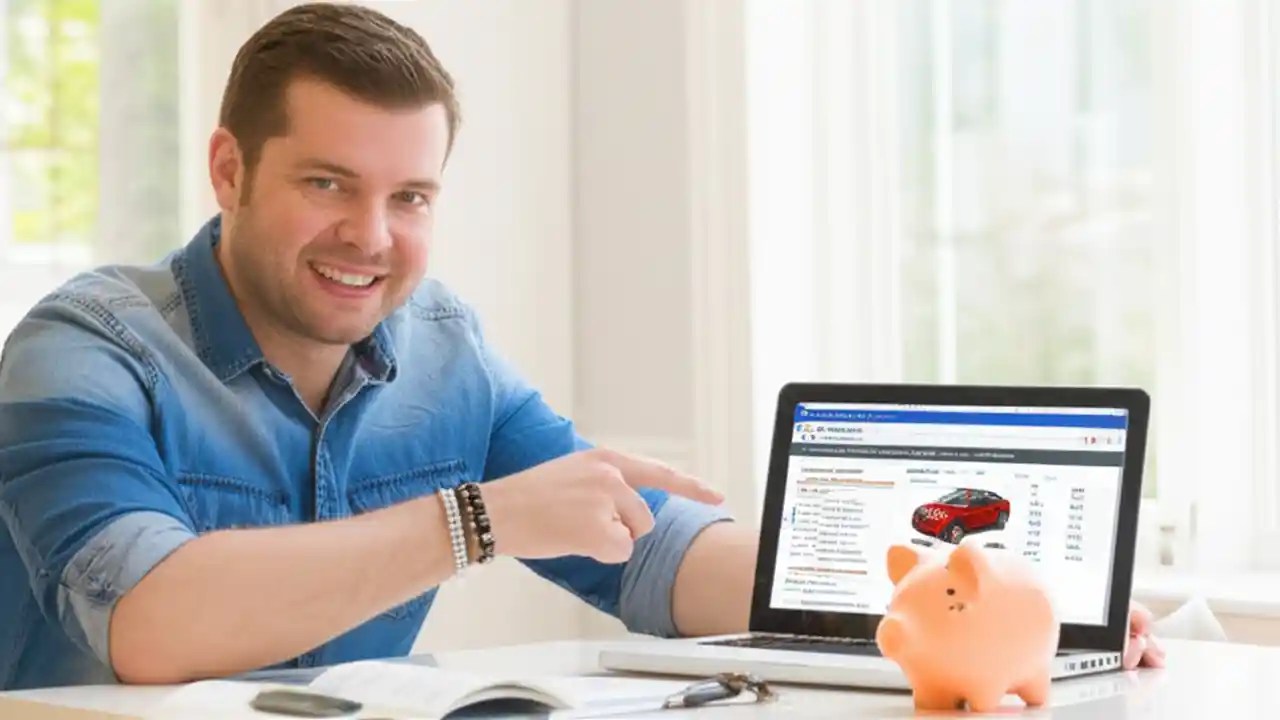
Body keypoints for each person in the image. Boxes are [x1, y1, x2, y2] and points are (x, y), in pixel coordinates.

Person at [0, 2, 1161, 691]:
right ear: (228, 170)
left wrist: (993, 604)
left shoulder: (443, 348)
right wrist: (480, 517)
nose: (371, 236)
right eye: (326, 184)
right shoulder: (86, 350)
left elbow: (641, 549)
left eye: (411, 196)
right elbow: (149, 622)